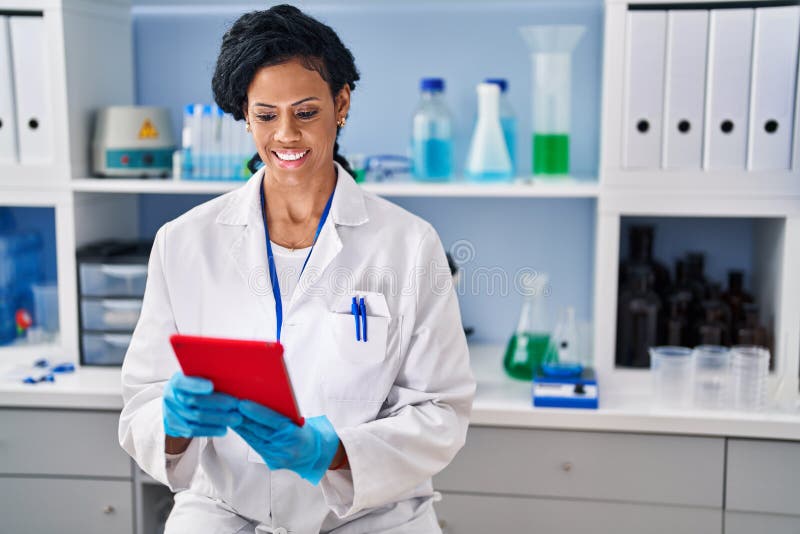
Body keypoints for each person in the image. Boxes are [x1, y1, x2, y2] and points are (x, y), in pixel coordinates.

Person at [118, 5, 475, 534]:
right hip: (225, 511)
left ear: (341, 103)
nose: (286, 135)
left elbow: (441, 411)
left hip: (368, 517)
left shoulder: (408, 244)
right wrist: (172, 424)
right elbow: (142, 400)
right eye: (266, 116)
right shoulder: (184, 242)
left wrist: (332, 451)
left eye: (305, 112)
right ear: (245, 115)